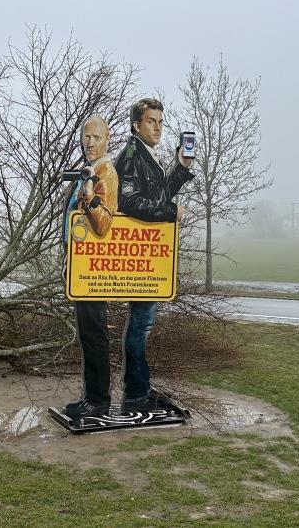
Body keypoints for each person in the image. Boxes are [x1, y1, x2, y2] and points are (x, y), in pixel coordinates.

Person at [114, 97, 194, 413]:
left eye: (161, 122)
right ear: (137, 125)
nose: (158, 128)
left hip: (149, 254)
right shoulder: (132, 156)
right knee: (140, 325)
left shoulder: (146, 155)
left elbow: (157, 195)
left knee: (142, 323)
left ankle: (139, 390)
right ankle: (137, 394)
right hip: (138, 254)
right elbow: (130, 202)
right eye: (151, 121)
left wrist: (181, 168)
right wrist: (171, 211)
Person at [63, 116, 119, 420]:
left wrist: (90, 200)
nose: (90, 142)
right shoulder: (89, 170)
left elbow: (103, 225)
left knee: (95, 333)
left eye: (97, 137)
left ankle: (99, 400)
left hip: (95, 271)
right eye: (86, 137)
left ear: (108, 140)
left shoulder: (106, 173)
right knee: (88, 334)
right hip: (81, 267)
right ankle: (91, 396)